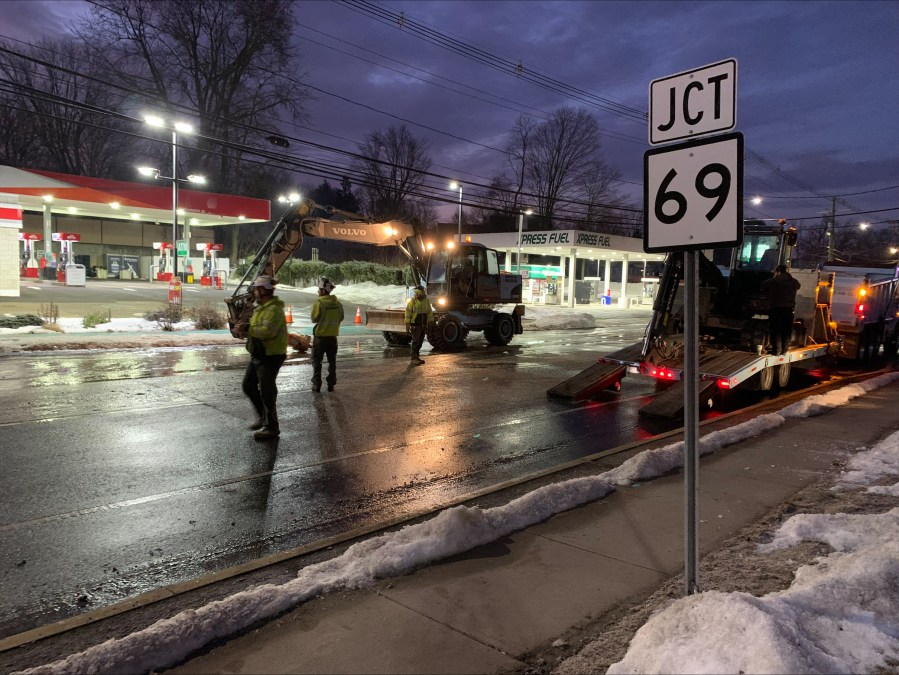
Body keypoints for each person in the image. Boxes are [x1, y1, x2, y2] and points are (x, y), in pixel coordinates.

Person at [242, 275, 287, 440]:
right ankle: (264, 417)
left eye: (256, 289)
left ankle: (271, 427)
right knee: (248, 385)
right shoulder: (261, 308)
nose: (254, 292)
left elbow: (268, 332)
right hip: (259, 353)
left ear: (263, 290)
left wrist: (247, 329)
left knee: (267, 392)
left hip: (271, 355)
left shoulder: (273, 310)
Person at [310, 277, 344, 392]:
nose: (318, 292)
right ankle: (331, 384)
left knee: (316, 361)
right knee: (332, 361)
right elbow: (341, 317)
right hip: (333, 338)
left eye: (319, 290)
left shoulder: (319, 303)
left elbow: (314, 319)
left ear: (324, 291)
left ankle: (317, 384)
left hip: (320, 338)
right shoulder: (338, 304)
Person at [761, 264, 801, 356]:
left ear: (778, 272)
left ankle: (777, 350)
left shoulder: (774, 281)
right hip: (788, 310)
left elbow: (763, 285)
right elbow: (798, 286)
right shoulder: (794, 282)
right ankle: (785, 350)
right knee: (786, 330)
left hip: (776, 308)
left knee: (776, 330)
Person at [404, 285, 434, 365]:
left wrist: (430, 321)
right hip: (415, 325)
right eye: (416, 292)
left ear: (423, 292)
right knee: (415, 342)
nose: (417, 294)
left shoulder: (426, 301)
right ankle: (413, 358)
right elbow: (408, 312)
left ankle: (416, 357)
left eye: (418, 292)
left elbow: (429, 312)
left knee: (420, 342)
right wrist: (407, 324)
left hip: (423, 325)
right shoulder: (412, 301)